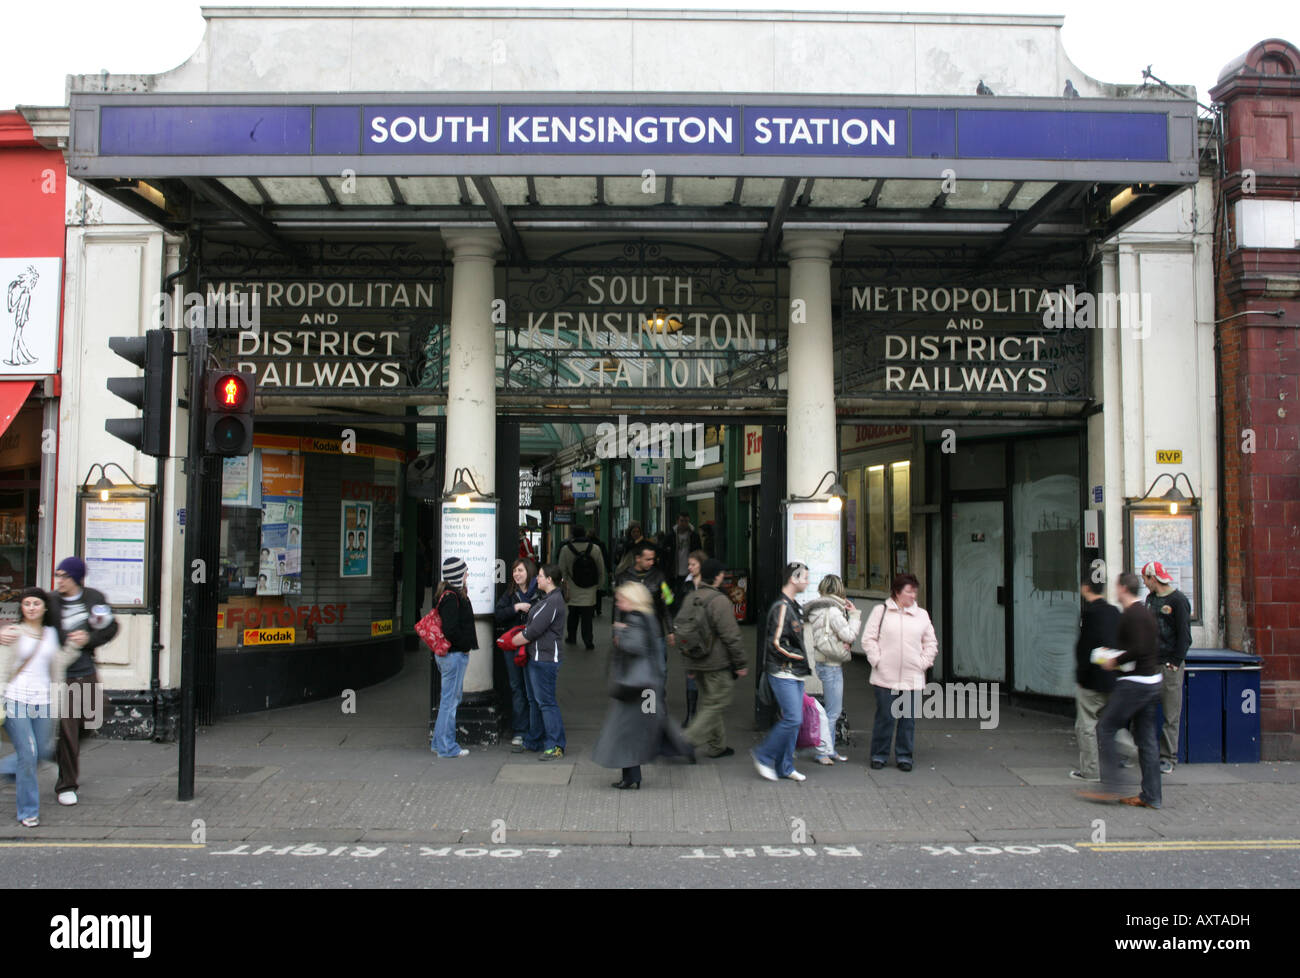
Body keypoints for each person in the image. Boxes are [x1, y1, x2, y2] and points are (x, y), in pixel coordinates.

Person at [593, 583, 696, 788]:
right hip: (646, 685)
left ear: (632, 600)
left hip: (635, 687)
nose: (619, 603)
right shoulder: (647, 616)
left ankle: (674, 750)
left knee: (631, 729)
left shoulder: (635, 619)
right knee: (645, 725)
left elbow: (635, 646)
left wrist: (620, 633)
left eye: (622, 599)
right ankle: (636, 773)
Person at [1080, 573, 1163, 809]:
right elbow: (1145, 646)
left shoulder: (1133, 615)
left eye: (1117, 587)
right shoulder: (1145, 613)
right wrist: (1116, 652)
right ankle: (1151, 795)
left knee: (1104, 727)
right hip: (1151, 681)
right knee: (1147, 740)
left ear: (1124, 588)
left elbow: (1138, 648)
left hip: (1134, 683)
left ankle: (1111, 787)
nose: (1115, 590)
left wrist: (1114, 661)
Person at [0, 588, 79, 826]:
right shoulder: (12, 633)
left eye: (36, 603)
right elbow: (3, 666)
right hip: (16, 700)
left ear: (44, 607)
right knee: (28, 754)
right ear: (22, 608)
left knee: (42, 753)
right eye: (26, 603)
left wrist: (74, 646)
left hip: (43, 703)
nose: (31, 607)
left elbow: (58, 664)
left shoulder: (50, 635)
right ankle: (28, 812)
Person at [47, 557, 118, 806]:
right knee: (68, 730)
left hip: (86, 670)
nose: (60, 581)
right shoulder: (51, 602)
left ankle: (60, 753)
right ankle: (66, 785)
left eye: (64, 576)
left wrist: (88, 638)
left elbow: (111, 628)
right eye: (58, 576)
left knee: (93, 718)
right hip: (63, 674)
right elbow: (33, 623)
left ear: (77, 578)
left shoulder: (93, 598)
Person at [862, 572, 937, 772]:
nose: (913, 596)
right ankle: (879, 755)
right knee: (885, 717)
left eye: (915, 592)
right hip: (885, 676)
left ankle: (904, 756)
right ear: (897, 592)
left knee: (908, 720)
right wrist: (877, 660)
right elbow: (868, 639)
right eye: (909, 592)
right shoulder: (881, 611)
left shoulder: (922, 615)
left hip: (912, 677)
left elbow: (930, 643)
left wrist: (923, 663)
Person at [676, 558, 747, 758]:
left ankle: (717, 745)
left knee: (710, 700)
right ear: (717, 576)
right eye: (722, 574)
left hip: (695, 659)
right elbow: (731, 635)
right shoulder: (719, 600)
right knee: (716, 701)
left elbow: (682, 628)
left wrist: (688, 663)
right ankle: (686, 742)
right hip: (715, 662)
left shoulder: (692, 597)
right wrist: (740, 663)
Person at [751, 562, 812, 782]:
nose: (807, 581)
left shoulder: (793, 605)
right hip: (783, 671)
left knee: (794, 718)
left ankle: (785, 766)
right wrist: (800, 658)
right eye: (804, 577)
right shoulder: (783, 607)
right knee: (793, 719)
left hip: (792, 671)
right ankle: (763, 755)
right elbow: (775, 643)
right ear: (793, 579)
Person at [1071, 577, 1135, 782]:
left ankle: (1090, 770)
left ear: (1086, 588)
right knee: (1110, 723)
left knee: (1087, 725)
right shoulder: (1115, 612)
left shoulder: (1090, 613)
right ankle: (1123, 756)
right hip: (1114, 677)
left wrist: (1081, 675)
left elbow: (1084, 648)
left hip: (1093, 679)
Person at [511, 563, 567, 760]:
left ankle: (555, 744)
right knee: (536, 701)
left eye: (541, 576)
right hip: (537, 657)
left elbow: (535, 629)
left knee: (546, 702)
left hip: (545, 658)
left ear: (549, 580)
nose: (537, 579)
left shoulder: (553, 601)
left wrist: (517, 639)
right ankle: (534, 740)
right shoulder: (549, 599)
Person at [1142, 561, 1192, 774]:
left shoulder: (1178, 600)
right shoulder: (1150, 600)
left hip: (1169, 665)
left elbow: (1184, 636)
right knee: (1144, 709)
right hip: (1151, 662)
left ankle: (1168, 756)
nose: (1145, 584)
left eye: (1145, 579)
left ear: (1153, 578)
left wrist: (1175, 660)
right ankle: (1146, 752)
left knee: (1171, 713)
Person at [803, 574, 857, 764]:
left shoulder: (818, 608)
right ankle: (824, 751)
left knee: (830, 710)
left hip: (822, 662)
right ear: (839, 589)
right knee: (833, 712)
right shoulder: (834, 611)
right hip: (832, 665)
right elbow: (849, 635)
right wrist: (855, 615)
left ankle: (829, 750)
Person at [431, 557, 477, 758]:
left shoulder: (447, 594)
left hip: (449, 655)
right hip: (454, 656)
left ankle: (438, 742)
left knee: (449, 700)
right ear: (458, 574)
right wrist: (465, 646)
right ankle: (446, 747)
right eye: (465, 571)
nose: (467, 575)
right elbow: (451, 629)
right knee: (450, 703)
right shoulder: (452, 597)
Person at [494, 557, 538, 749]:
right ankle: (520, 730)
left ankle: (535, 729)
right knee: (517, 687)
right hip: (513, 647)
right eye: (514, 571)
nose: (516, 574)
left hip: (533, 645)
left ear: (529, 571)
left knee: (533, 689)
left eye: (520, 570)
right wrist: (516, 608)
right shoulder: (510, 593)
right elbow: (497, 613)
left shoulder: (539, 592)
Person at [558, 525, 604, 650]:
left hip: (572, 588)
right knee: (587, 617)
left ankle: (571, 637)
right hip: (590, 589)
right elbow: (600, 569)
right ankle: (588, 640)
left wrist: (563, 586)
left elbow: (562, 570)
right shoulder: (595, 548)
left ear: (572, 535)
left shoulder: (566, 549)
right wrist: (599, 585)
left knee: (572, 614)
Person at [671, 514, 703, 603]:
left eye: (686, 521)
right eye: (682, 521)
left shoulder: (694, 536)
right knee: (675, 598)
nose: (684, 523)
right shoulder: (671, 536)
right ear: (677, 521)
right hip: (674, 573)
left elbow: (699, 553)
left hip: (690, 572)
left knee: (689, 597)